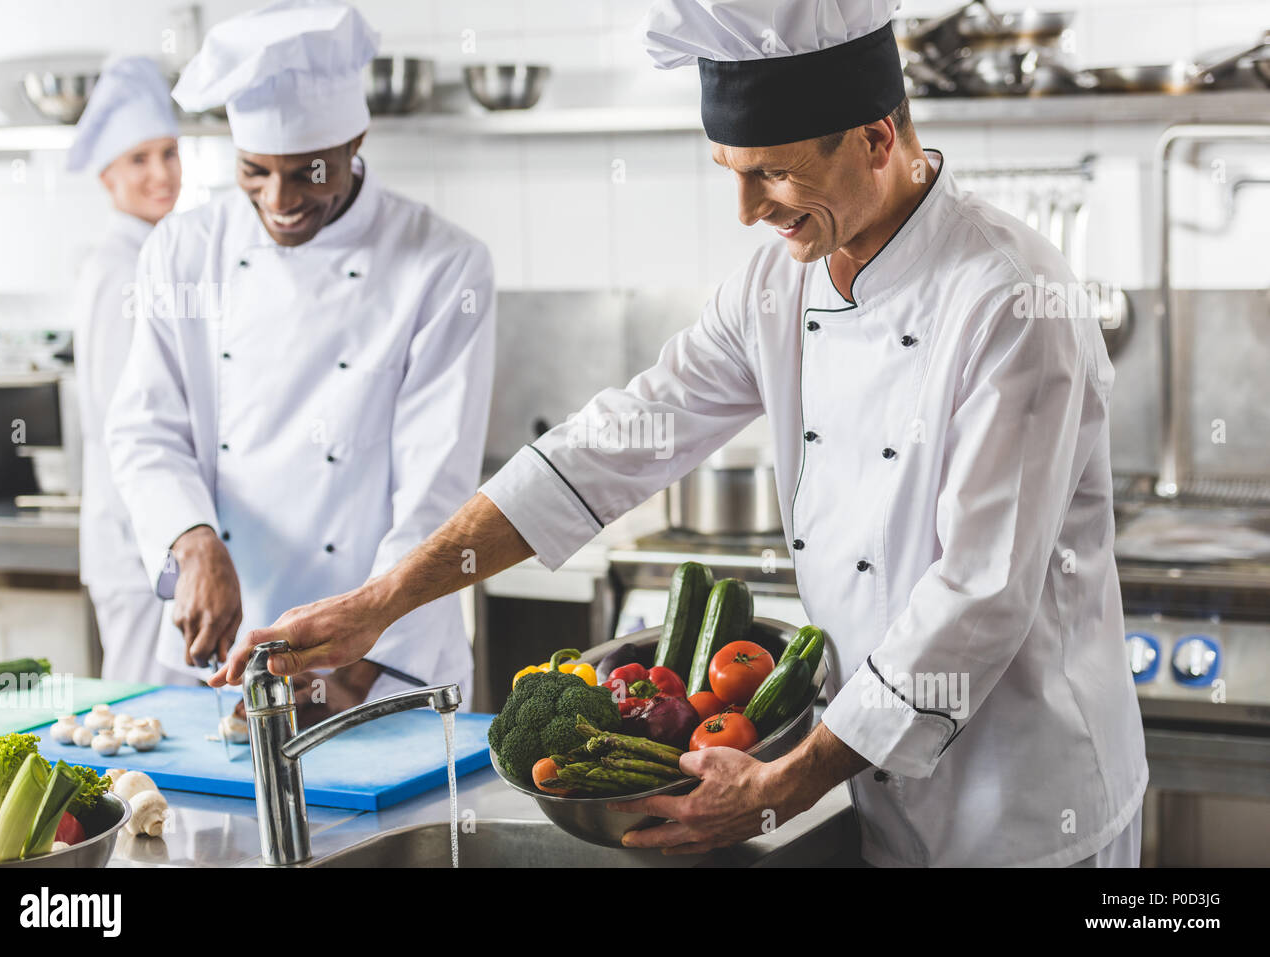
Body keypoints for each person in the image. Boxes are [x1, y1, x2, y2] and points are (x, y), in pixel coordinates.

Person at [214, 0, 1148, 867]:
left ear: (877, 138)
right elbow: (611, 444)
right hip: (873, 781)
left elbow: (976, 595)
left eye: (774, 173)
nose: (748, 212)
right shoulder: (778, 283)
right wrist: (383, 602)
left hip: (1028, 807)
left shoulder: (1012, 299)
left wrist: (784, 783)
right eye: (731, 175)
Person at [106, 0, 495, 720]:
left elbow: (434, 489)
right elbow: (144, 430)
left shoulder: (442, 264)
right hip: (216, 663)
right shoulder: (184, 250)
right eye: (255, 171)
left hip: (383, 668)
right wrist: (193, 540)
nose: (279, 201)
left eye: (307, 173)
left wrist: (348, 667)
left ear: (356, 140)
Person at [68, 57, 185, 685]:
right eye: (139, 159)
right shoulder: (120, 272)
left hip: (159, 551)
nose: (161, 173)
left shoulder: (154, 256)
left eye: (168, 153)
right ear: (107, 174)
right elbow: (131, 426)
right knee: (146, 727)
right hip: (140, 553)